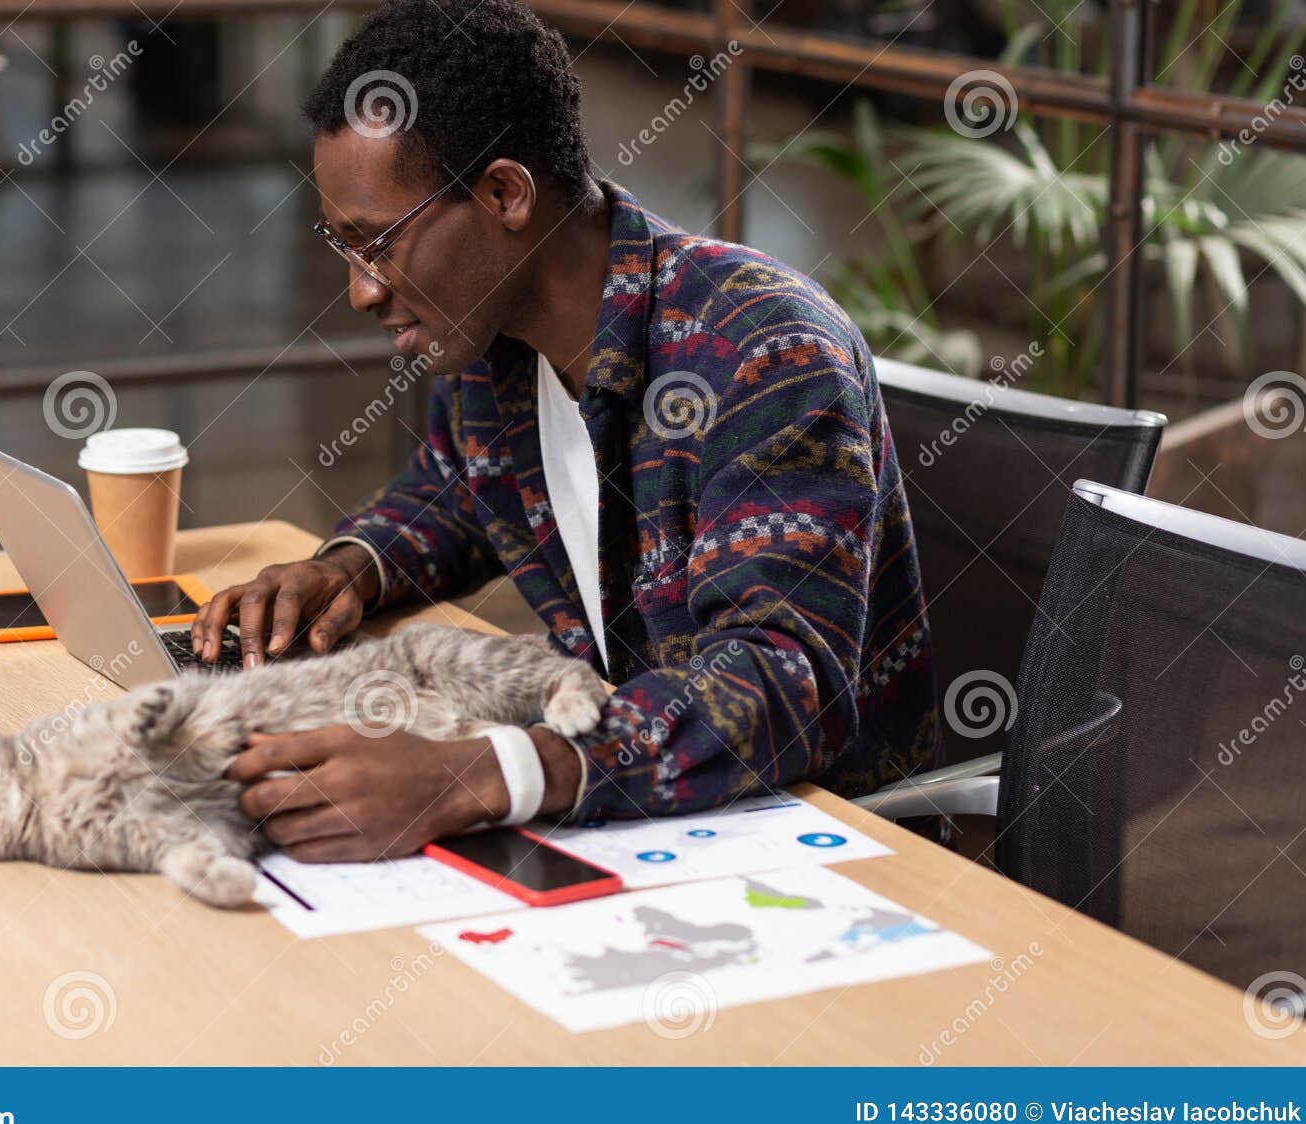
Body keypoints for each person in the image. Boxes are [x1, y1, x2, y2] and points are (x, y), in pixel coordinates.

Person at [189, 0, 939, 862]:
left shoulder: (763, 348)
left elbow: (777, 686)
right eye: (343, 245)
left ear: (505, 193)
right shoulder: (489, 345)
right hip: (648, 819)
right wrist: (346, 569)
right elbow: (459, 491)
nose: (361, 290)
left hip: (825, 848)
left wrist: (474, 775)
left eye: (379, 243)